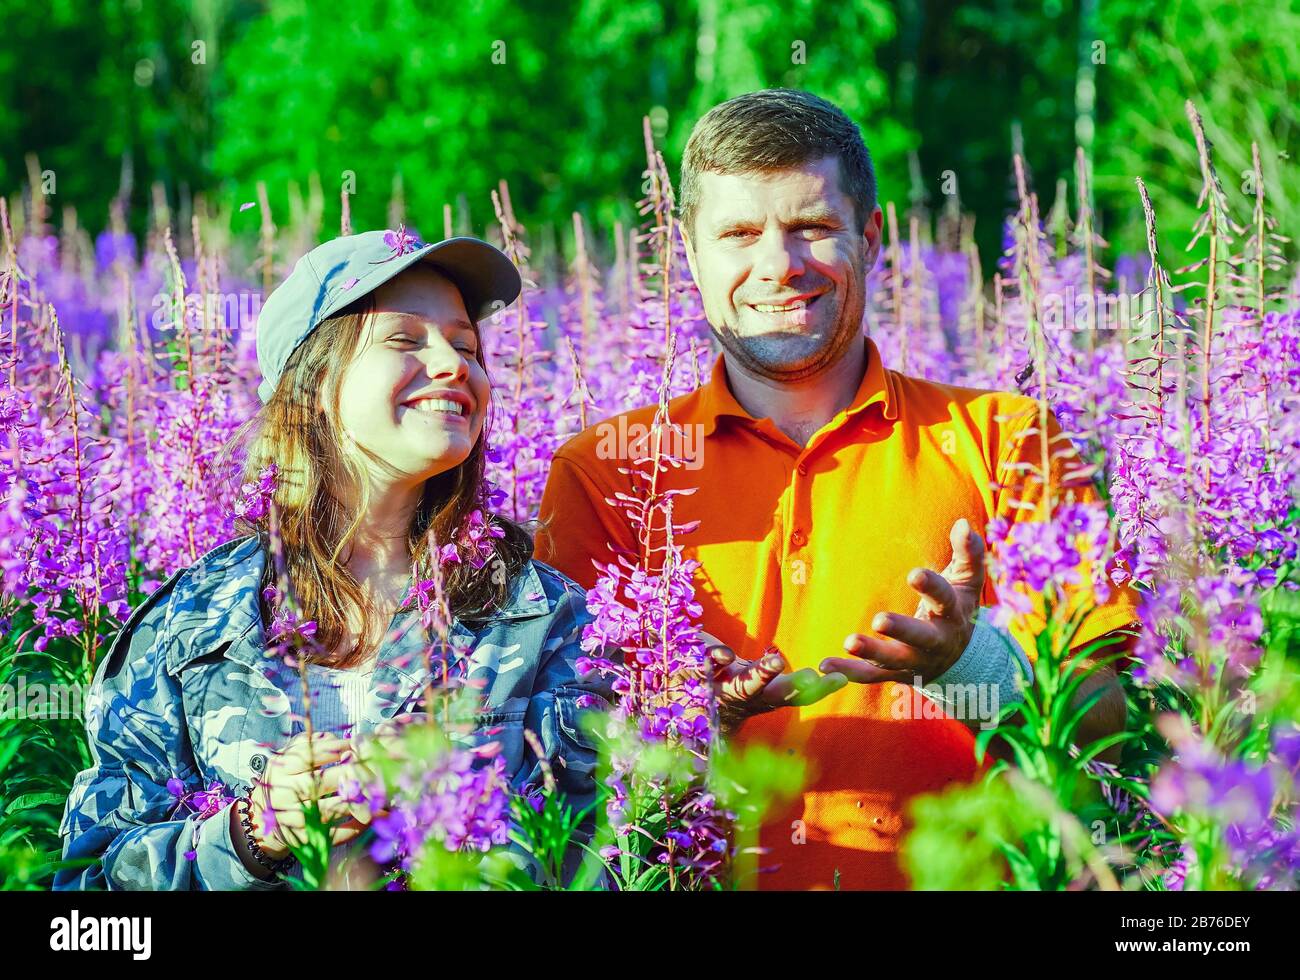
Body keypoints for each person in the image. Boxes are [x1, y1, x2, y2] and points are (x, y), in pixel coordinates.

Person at [536, 89, 1140, 890]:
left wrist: (969, 664)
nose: (779, 265)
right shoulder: (604, 470)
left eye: (812, 226)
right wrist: (687, 705)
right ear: (689, 254)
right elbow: (551, 757)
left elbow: (1112, 719)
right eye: (739, 234)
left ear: (871, 235)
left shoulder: (1008, 440)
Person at [55, 228, 610, 890]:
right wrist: (249, 836)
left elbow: (610, 851)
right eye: (406, 340)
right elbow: (86, 887)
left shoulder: (547, 616)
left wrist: (447, 816)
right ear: (311, 386)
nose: (455, 364)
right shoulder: (190, 625)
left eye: (466, 346)